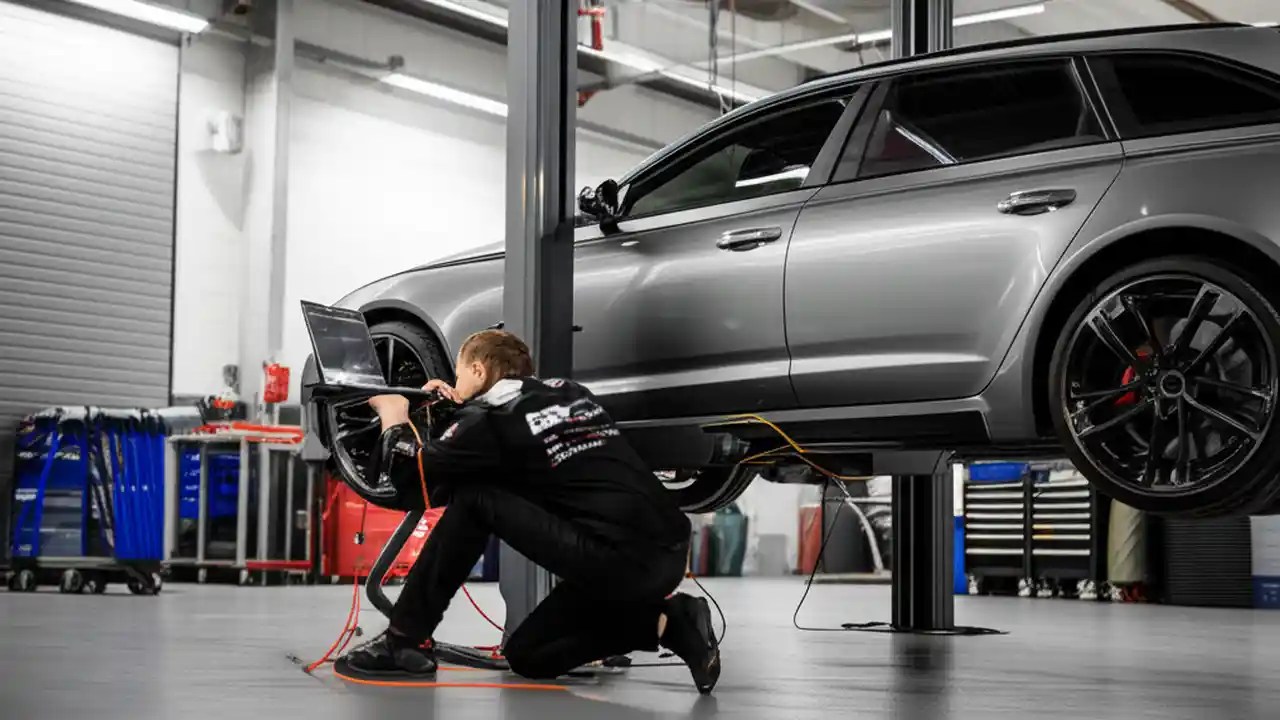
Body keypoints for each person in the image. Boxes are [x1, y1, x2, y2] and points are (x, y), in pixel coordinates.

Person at [344, 329, 721, 694]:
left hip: (619, 560)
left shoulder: (489, 422)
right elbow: (506, 438)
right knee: (529, 656)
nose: (455, 384)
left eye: (458, 375)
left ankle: (403, 639)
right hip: (662, 549)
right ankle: (674, 624)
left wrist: (394, 413)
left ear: (477, 371)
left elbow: (412, 477)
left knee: (475, 498)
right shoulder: (570, 393)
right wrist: (451, 412)